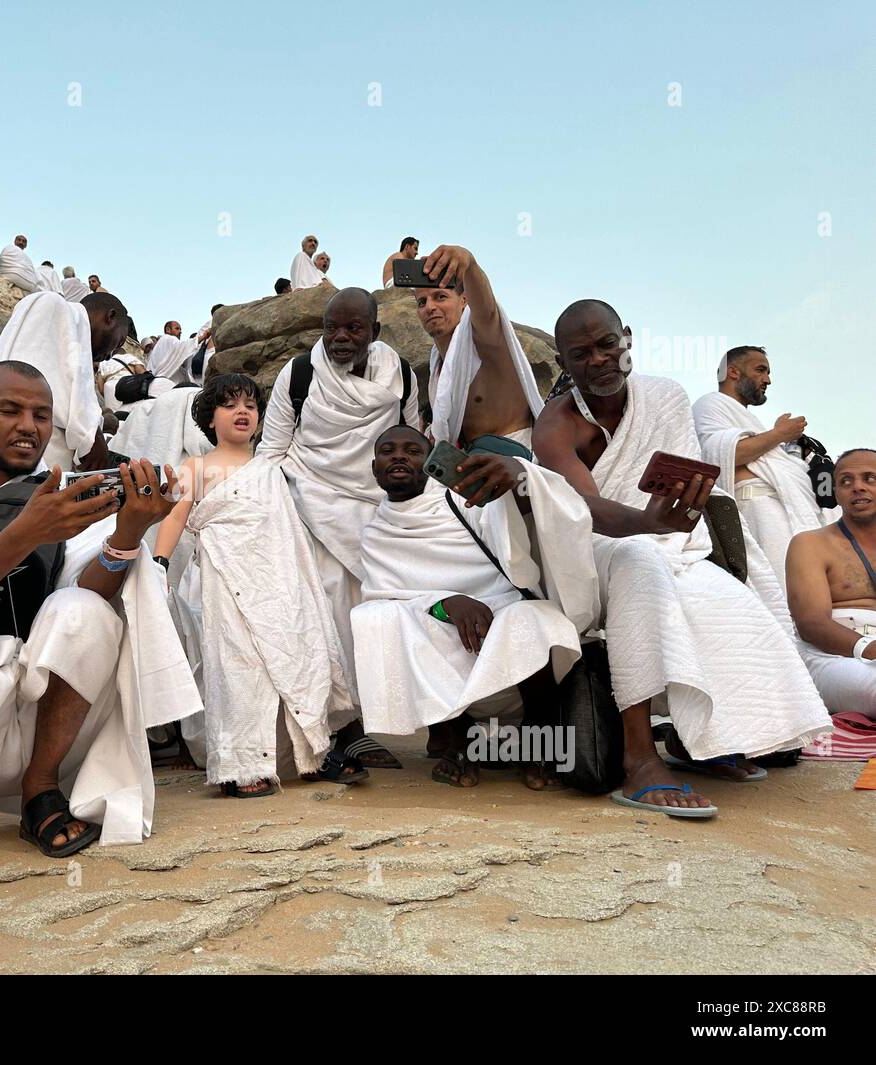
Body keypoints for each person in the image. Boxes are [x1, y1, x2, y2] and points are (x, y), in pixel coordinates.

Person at [0, 360, 195, 870]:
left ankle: (40, 792)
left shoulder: (68, 492)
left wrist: (129, 532)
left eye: (41, 414)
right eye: (10, 410)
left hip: (50, 721)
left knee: (84, 610)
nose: (28, 425)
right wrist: (28, 531)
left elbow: (91, 593)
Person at [532, 299, 831, 817]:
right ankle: (639, 758)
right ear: (564, 364)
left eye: (607, 344)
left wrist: (672, 516)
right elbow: (582, 510)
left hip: (670, 541)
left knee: (726, 595)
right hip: (594, 551)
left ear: (626, 338)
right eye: (582, 354)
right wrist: (646, 525)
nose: (599, 360)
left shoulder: (665, 397)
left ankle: (704, 741)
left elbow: (685, 482)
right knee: (638, 563)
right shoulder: (555, 426)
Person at [354, 426, 598, 787]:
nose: (400, 457)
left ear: (431, 460)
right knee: (374, 617)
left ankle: (536, 742)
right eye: (388, 451)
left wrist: (513, 474)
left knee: (533, 618)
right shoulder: (375, 531)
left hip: (500, 622)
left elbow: (516, 533)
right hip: (441, 631)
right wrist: (445, 603)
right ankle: (458, 742)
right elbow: (388, 596)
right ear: (375, 469)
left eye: (413, 451)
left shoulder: (465, 499)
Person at [153, 374, 353, 795]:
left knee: (292, 655)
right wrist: (159, 564)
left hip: (278, 581)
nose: (242, 412)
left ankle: (306, 753)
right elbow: (175, 517)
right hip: (228, 582)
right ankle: (240, 766)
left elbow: (285, 530)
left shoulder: (269, 469)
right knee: (239, 667)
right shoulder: (197, 466)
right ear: (209, 419)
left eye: (250, 405)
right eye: (229, 405)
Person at [256, 288, 420, 771]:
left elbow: (411, 442)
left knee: (376, 612)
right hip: (311, 506)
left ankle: (373, 720)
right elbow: (272, 448)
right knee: (328, 612)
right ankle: (340, 727)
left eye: (354, 328)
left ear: (375, 331)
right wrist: (263, 512)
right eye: (332, 328)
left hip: (376, 515)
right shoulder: (299, 373)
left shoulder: (401, 376)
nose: (341, 338)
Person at [692, 346, 830, 587]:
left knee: (803, 591)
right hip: (757, 509)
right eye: (760, 370)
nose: (767, 379)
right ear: (733, 372)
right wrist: (778, 434)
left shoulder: (746, 419)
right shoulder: (710, 404)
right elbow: (724, 454)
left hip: (783, 510)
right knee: (781, 591)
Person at [417, 244, 543, 455]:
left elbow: (488, 312)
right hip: (468, 468)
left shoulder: (485, 342)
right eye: (421, 302)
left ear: (464, 300)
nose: (429, 307)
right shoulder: (438, 366)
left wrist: (470, 265)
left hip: (515, 465)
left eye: (440, 297)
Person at [0, 291, 127, 471]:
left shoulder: (75, 341)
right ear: (110, 317)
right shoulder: (51, 305)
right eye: (118, 344)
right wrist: (90, 434)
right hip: (23, 461)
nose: (109, 357)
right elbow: (27, 380)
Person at [786, 448, 876, 718]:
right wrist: (868, 648)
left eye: (869, 478)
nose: (857, 487)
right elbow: (811, 624)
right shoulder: (810, 543)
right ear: (836, 492)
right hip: (835, 656)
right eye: (846, 481)